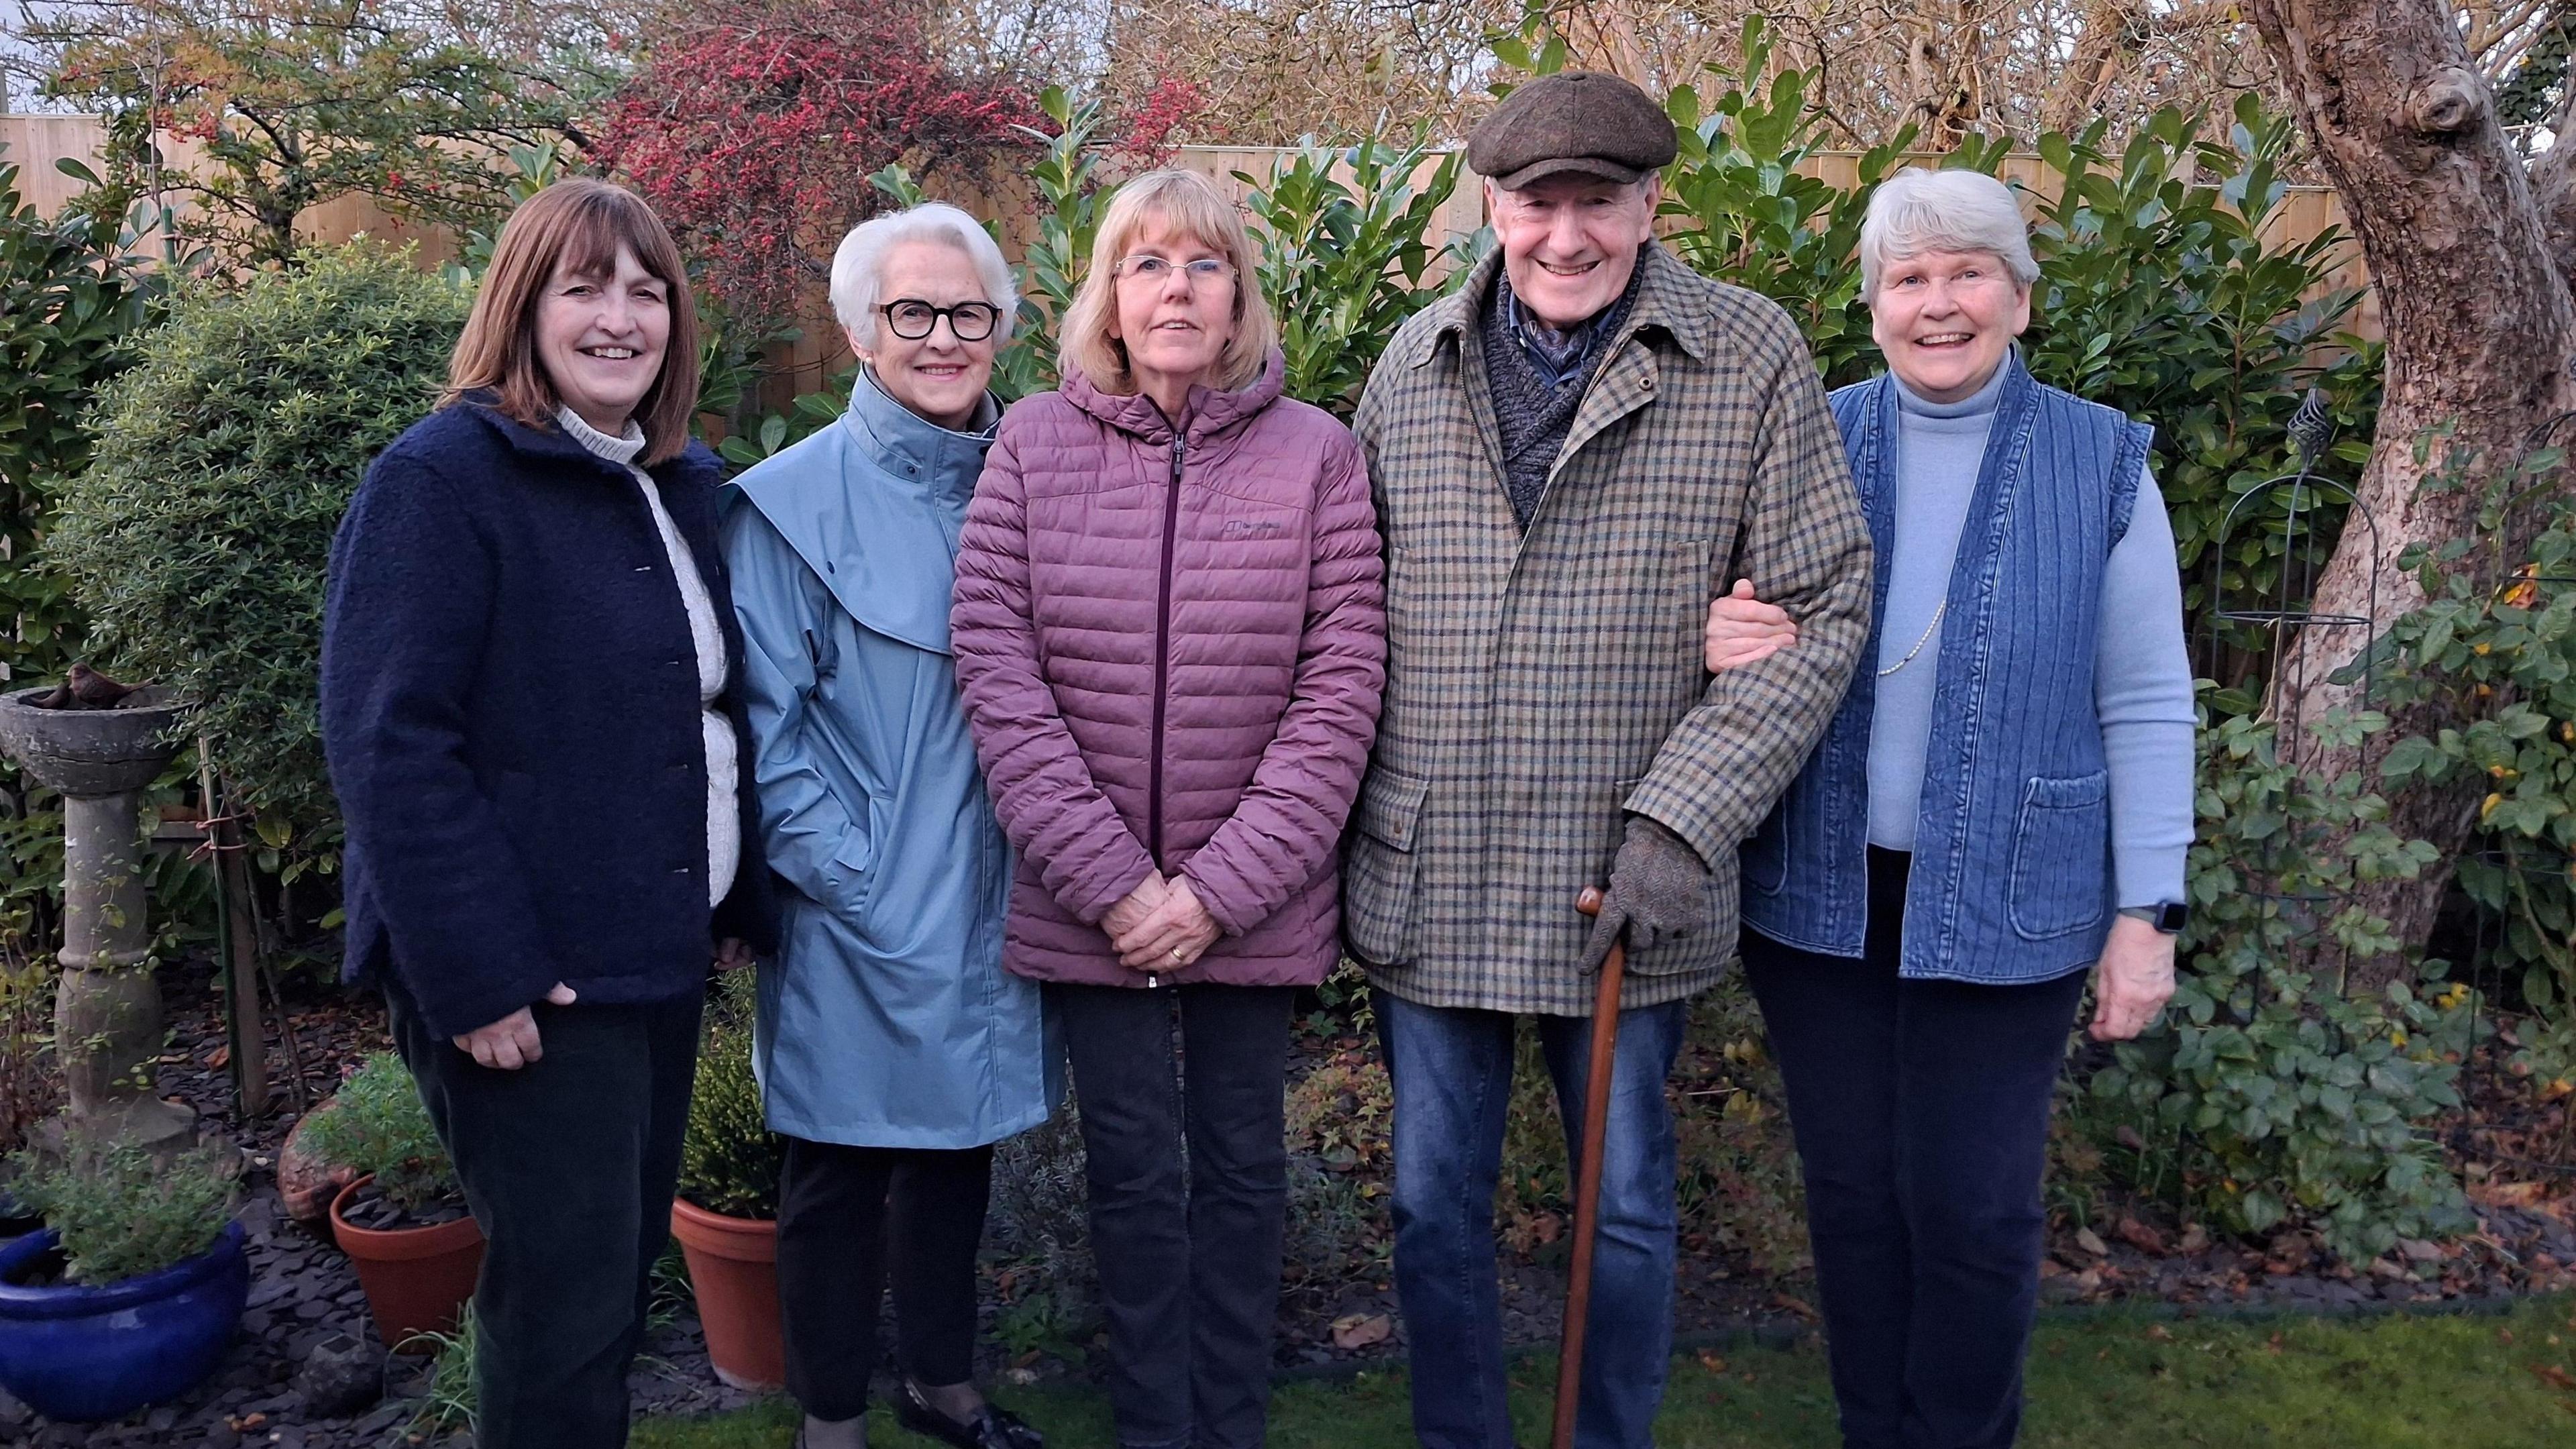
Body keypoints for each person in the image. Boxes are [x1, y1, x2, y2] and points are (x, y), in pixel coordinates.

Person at [1345, 71, 1872, 1449]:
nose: (1565, 236)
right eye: (1537, 203)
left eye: (1599, 203)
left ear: (1650, 206)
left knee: (1625, 1213)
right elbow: (1342, 604)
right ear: (1492, 206)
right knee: (1427, 1206)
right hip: (1436, 866)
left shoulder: (1749, 355)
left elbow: (1820, 608)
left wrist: (1683, 824)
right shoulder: (1411, 364)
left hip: (1625, 878)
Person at [1704, 166, 2192, 1448]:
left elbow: (2146, 702)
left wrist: (2149, 911)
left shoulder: (2101, 464)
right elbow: (1720, 612)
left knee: (1972, 1209)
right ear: (1870, 307)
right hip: (1823, 892)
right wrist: (1718, 629)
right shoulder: (1804, 436)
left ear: (2020, 299)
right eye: (1907, 279)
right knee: (1856, 1199)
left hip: (2013, 895)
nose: (1938, 303)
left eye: (1968, 273)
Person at [321, 178, 775, 1449]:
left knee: (613, 1278)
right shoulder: (442, 481)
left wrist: (730, 897)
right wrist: (478, 978)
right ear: (524, 307)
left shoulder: (675, 483)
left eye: (647, 291)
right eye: (585, 287)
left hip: (648, 956)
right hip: (531, 985)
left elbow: (701, 718)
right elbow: (389, 744)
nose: (620, 317)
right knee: (563, 1307)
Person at [951, 168, 1385, 1449]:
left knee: (1246, 1178)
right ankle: (1152, 1426)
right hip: (1096, 906)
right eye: (1149, 264)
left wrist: (1215, 893)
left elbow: (1341, 683)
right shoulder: (1032, 443)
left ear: (1241, 293)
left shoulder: (1320, 456)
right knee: (1133, 1181)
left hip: (1257, 902)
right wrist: (1122, 888)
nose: (1177, 289)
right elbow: (999, 669)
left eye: (1204, 265)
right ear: (1110, 294)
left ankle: (1231, 1426)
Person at [722, 204, 1049, 1449]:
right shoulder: (791, 504)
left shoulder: (1034, 476)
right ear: (861, 332)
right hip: (856, 902)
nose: (943, 337)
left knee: (959, 1155)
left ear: (1002, 331)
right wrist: (850, 876)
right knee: (839, 1169)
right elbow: (766, 724)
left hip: (1005, 893)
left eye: (969, 314)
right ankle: (831, 1419)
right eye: (912, 313)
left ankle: (945, 1386)